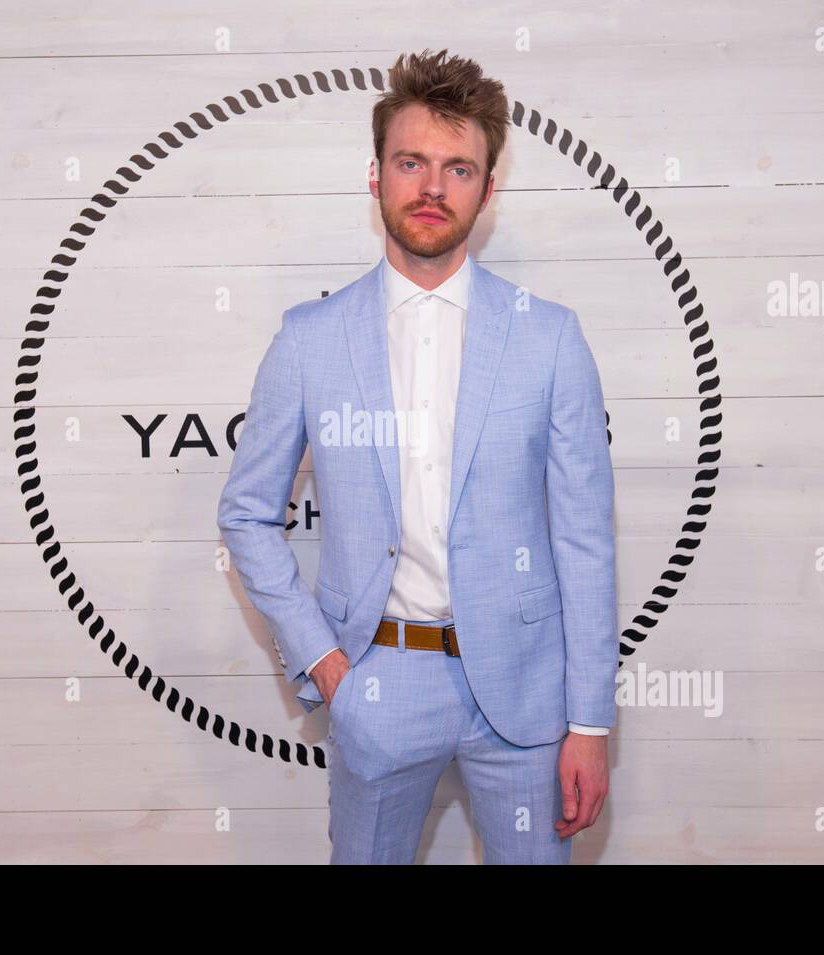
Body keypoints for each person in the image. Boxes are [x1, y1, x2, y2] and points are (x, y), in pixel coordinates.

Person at [217, 48, 617, 864]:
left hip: (530, 699)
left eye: (458, 168)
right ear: (376, 176)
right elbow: (247, 514)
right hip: (378, 682)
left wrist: (589, 720)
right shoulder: (310, 341)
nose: (432, 188)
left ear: (488, 188)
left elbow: (585, 540)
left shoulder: (550, 338)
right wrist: (329, 664)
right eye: (411, 162)